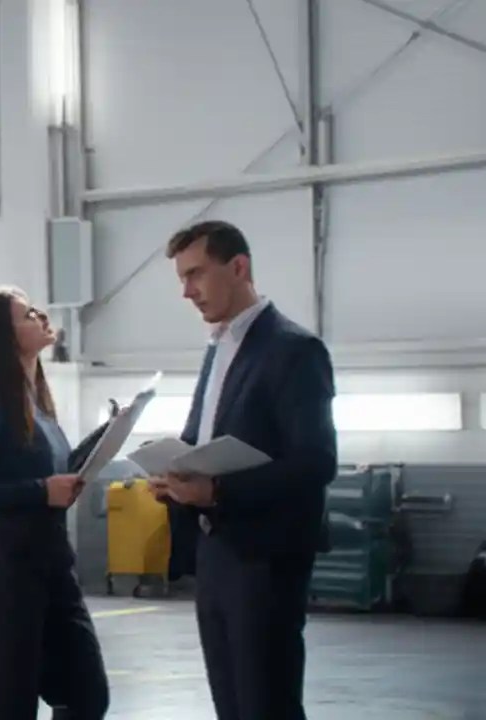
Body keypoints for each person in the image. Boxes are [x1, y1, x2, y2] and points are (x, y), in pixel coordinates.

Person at [150, 220, 337, 720]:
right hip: (217, 551)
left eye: (195, 275)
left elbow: (316, 461)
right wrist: (175, 476)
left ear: (238, 267)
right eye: (181, 280)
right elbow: (205, 440)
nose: (187, 292)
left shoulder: (294, 351)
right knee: (232, 705)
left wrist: (216, 493)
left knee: (264, 704)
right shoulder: (219, 350)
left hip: (266, 557)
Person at [0, 286, 110, 720]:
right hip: (3, 570)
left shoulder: (36, 405)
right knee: (12, 704)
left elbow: (42, 471)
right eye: (27, 314)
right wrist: (40, 491)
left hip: (49, 563)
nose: (41, 317)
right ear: (2, 337)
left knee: (85, 693)